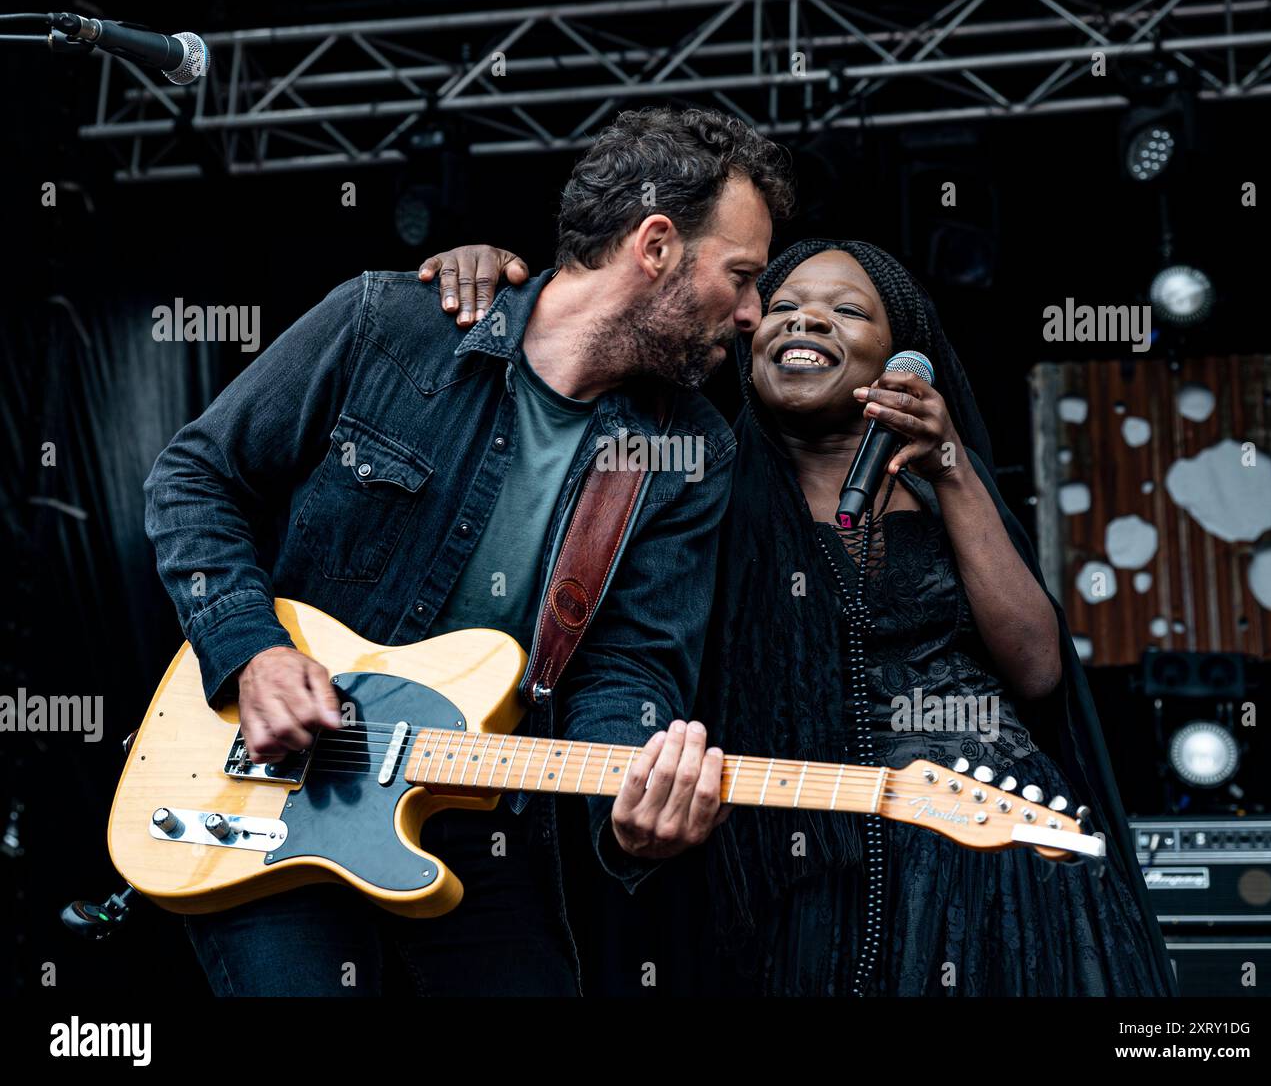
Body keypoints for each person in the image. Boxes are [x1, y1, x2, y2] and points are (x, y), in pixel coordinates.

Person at [142, 106, 793, 996]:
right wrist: (251, 651)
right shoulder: (388, 324)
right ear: (655, 245)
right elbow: (194, 475)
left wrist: (630, 800)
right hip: (275, 779)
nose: (756, 313)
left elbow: (630, 664)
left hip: (478, 815)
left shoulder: (691, 453)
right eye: (744, 276)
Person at [423, 237, 1178, 997]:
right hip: (801, 875)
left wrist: (950, 465)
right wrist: (502, 287)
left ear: (901, 361)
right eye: (780, 307)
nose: (805, 320)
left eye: (846, 310)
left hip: (993, 860)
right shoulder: (695, 489)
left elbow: (1039, 669)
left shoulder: (946, 485)